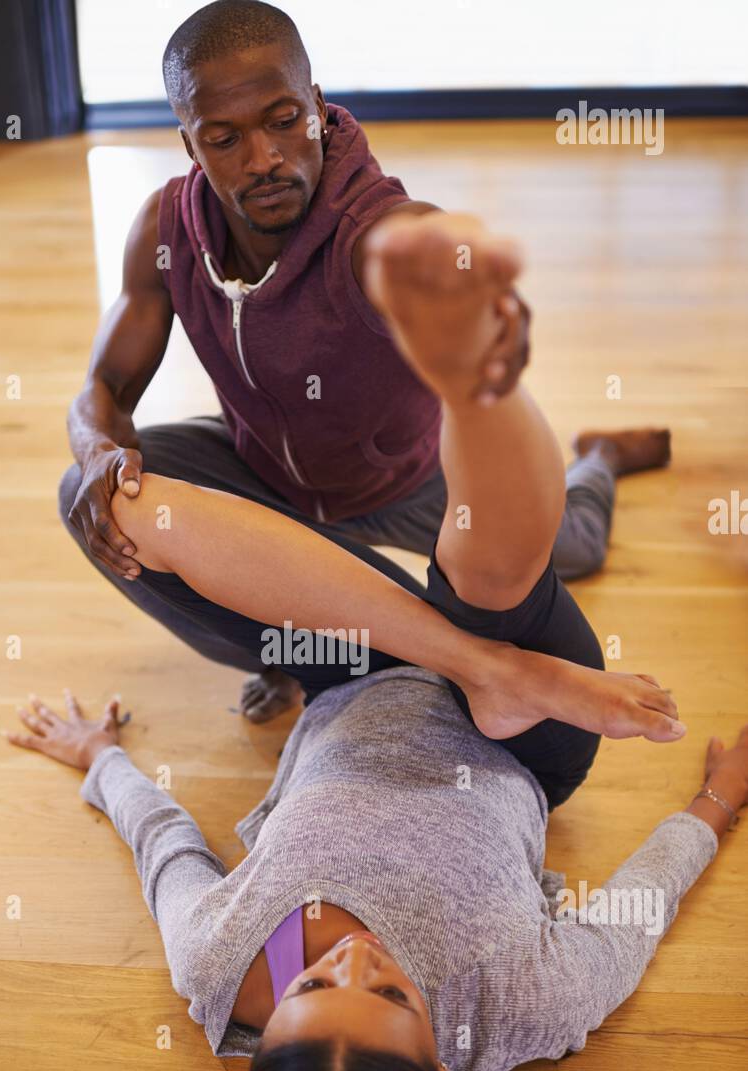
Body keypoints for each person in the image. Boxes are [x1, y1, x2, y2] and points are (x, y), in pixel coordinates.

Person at [11, 214, 743, 1071]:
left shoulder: (218, 963)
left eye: (313, 989)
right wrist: (717, 798)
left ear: (263, 1049)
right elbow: (635, 910)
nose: (352, 958)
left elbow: (163, 842)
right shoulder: (521, 1006)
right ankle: (487, 394)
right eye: (392, 993)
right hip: (518, 740)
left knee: (136, 513)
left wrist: (97, 760)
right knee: (498, 571)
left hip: (346, 671)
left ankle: (476, 614)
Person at [61, 0, 670, 723]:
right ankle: (306, 660)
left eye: (284, 120)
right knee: (98, 497)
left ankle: (596, 460)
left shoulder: (370, 228)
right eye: (224, 138)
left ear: (317, 106)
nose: (264, 159)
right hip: (266, 476)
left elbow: (407, 248)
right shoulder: (164, 230)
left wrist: (461, 289)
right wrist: (100, 450)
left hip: (402, 480)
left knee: (568, 548)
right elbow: (104, 385)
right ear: (191, 148)